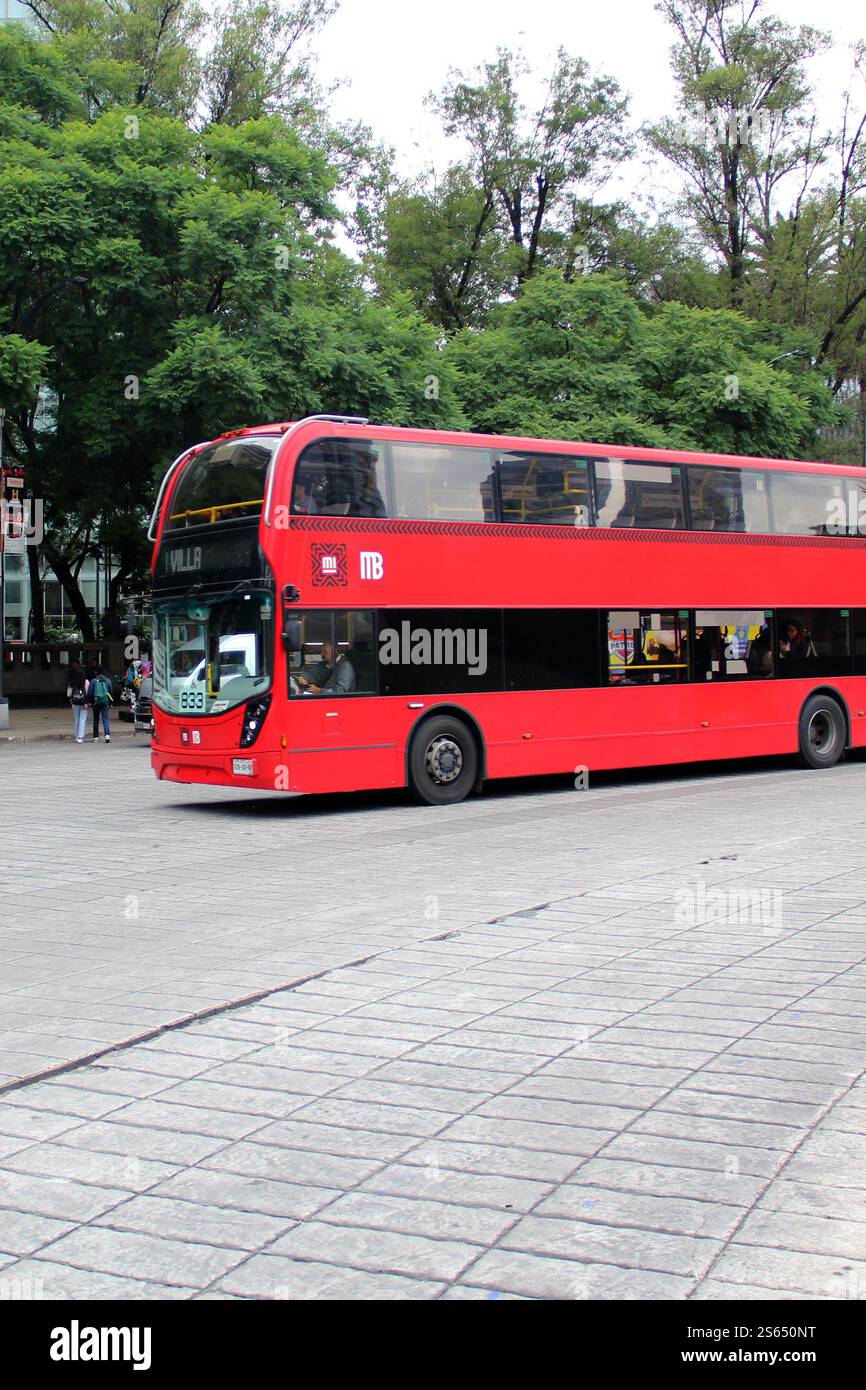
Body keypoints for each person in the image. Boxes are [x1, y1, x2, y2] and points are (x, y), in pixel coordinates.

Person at [88, 664, 114, 742]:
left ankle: (96, 737)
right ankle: (107, 735)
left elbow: (90, 693)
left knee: (96, 719)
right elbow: (110, 692)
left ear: (96, 672)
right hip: (105, 701)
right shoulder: (108, 680)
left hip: (96, 702)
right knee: (105, 719)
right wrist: (111, 703)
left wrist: (91, 702)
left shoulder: (93, 681)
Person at [66, 658, 89, 742]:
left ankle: (76, 735)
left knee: (76, 718)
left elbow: (68, 694)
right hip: (84, 702)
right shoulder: (86, 682)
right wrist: (87, 702)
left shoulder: (72, 682)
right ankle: (80, 737)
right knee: (82, 718)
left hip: (75, 702)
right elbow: (88, 693)